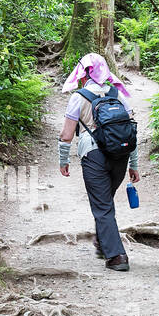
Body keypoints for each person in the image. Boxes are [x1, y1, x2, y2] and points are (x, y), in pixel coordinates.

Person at [57, 53, 140, 271]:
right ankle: (103, 243)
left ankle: (117, 256)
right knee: (104, 202)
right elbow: (129, 130)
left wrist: (63, 160)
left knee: (102, 206)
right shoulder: (118, 94)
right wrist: (134, 164)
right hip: (120, 156)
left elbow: (66, 135)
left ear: (83, 74)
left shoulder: (78, 97)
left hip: (93, 155)